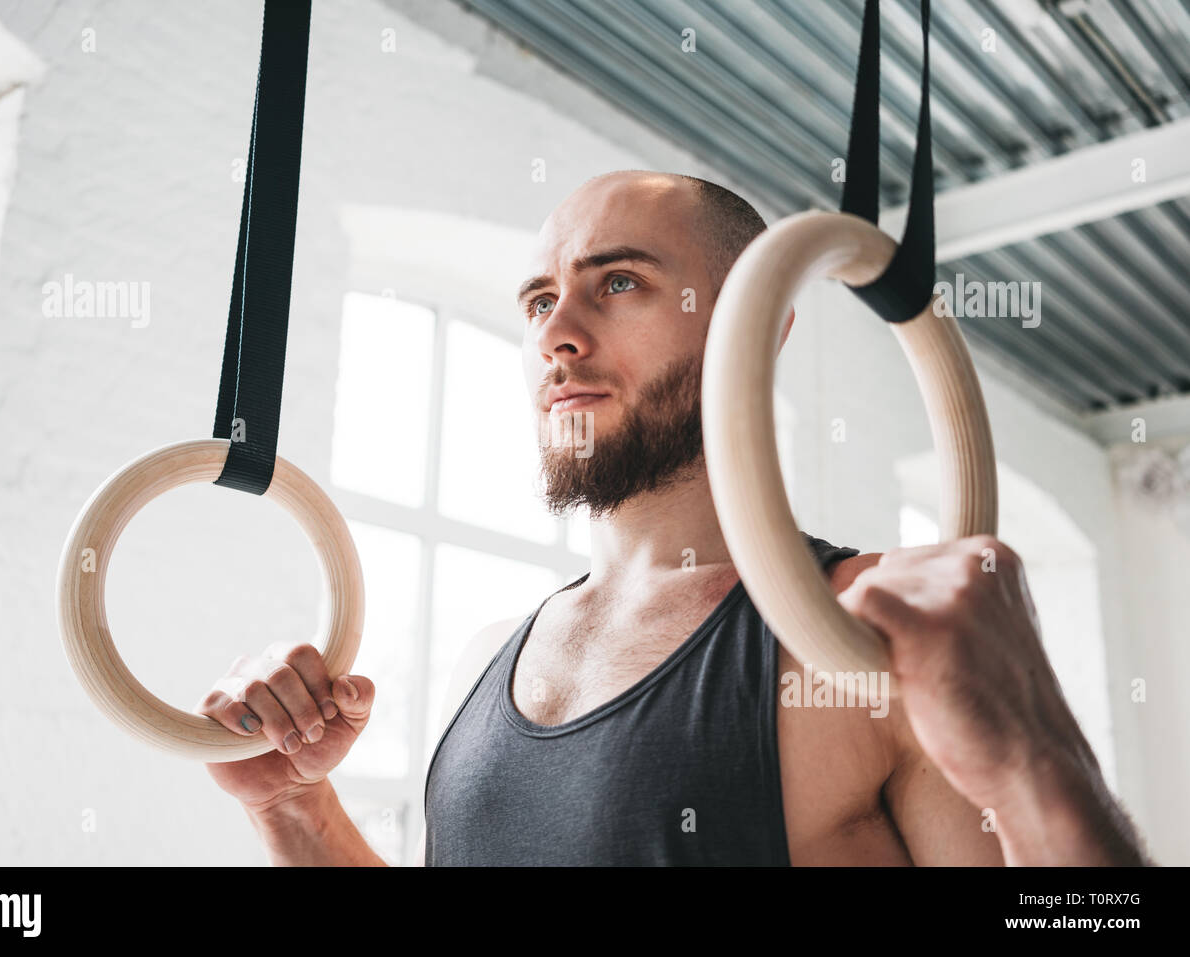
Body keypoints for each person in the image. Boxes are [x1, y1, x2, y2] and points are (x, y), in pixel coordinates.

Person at [197, 170, 1150, 866]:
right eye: (539, 300)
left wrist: (1038, 756)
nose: (557, 334)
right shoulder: (485, 660)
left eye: (618, 283)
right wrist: (296, 810)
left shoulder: (866, 637)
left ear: (758, 327)